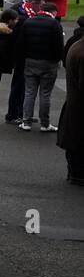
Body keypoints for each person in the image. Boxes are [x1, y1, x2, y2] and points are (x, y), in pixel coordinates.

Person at [16, 0, 64, 132]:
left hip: (30, 61)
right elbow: (59, 46)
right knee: (45, 94)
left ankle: (26, 121)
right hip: (48, 63)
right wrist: (58, 60)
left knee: (29, 92)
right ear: (52, 12)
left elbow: (21, 43)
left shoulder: (28, 22)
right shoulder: (55, 24)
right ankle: (45, 123)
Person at [56, 34, 84, 186]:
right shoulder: (81, 52)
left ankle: (74, 173)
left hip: (75, 106)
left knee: (75, 145)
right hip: (79, 108)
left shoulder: (77, 46)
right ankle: (77, 175)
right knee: (78, 144)